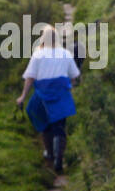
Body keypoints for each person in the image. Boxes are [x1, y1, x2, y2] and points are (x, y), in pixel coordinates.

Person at [16, 22, 80, 173]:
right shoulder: (65, 54)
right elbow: (75, 77)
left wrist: (23, 96)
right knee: (59, 126)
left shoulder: (38, 55)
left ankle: (49, 152)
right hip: (61, 94)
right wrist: (69, 86)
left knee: (44, 123)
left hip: (43, 94)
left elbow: (30, 78)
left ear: (43, 40)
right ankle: (59, 157)